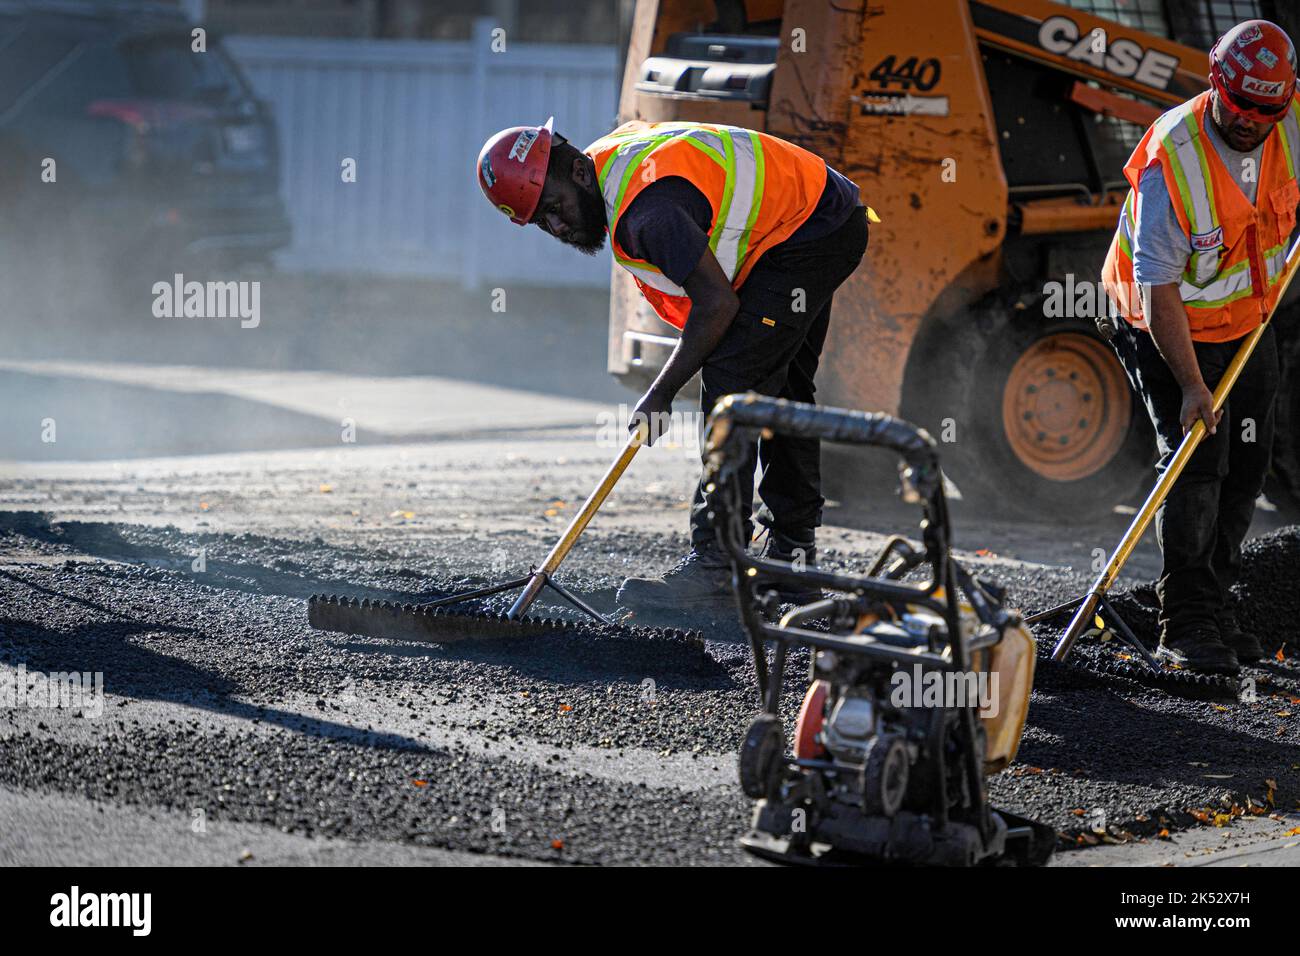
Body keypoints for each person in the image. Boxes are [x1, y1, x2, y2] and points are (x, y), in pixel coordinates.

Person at [476, 117, 872, 610]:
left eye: (554, 208)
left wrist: (660, 393)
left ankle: (716, 564)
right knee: (782, 388)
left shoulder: (647, 212)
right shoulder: (609, 167)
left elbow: (717, 305)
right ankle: (793, 565)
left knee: (733, 388)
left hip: (811, 230)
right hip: (821, 214)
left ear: (578, 172)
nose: (557, 227)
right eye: (542, 222)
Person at [1101, 19, 1299, 673]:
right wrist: (1191, 385)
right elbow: (1159, 293)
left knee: (1248, 462)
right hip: (1165, 323)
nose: (1249, 119)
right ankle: (1182, 623)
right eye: (1239, 103)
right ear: (1216, 82)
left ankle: (1218, 608)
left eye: (1266, 109)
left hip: (1246, 317)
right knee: (1196, 463)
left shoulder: (1290, 124)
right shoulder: (1172, 162)